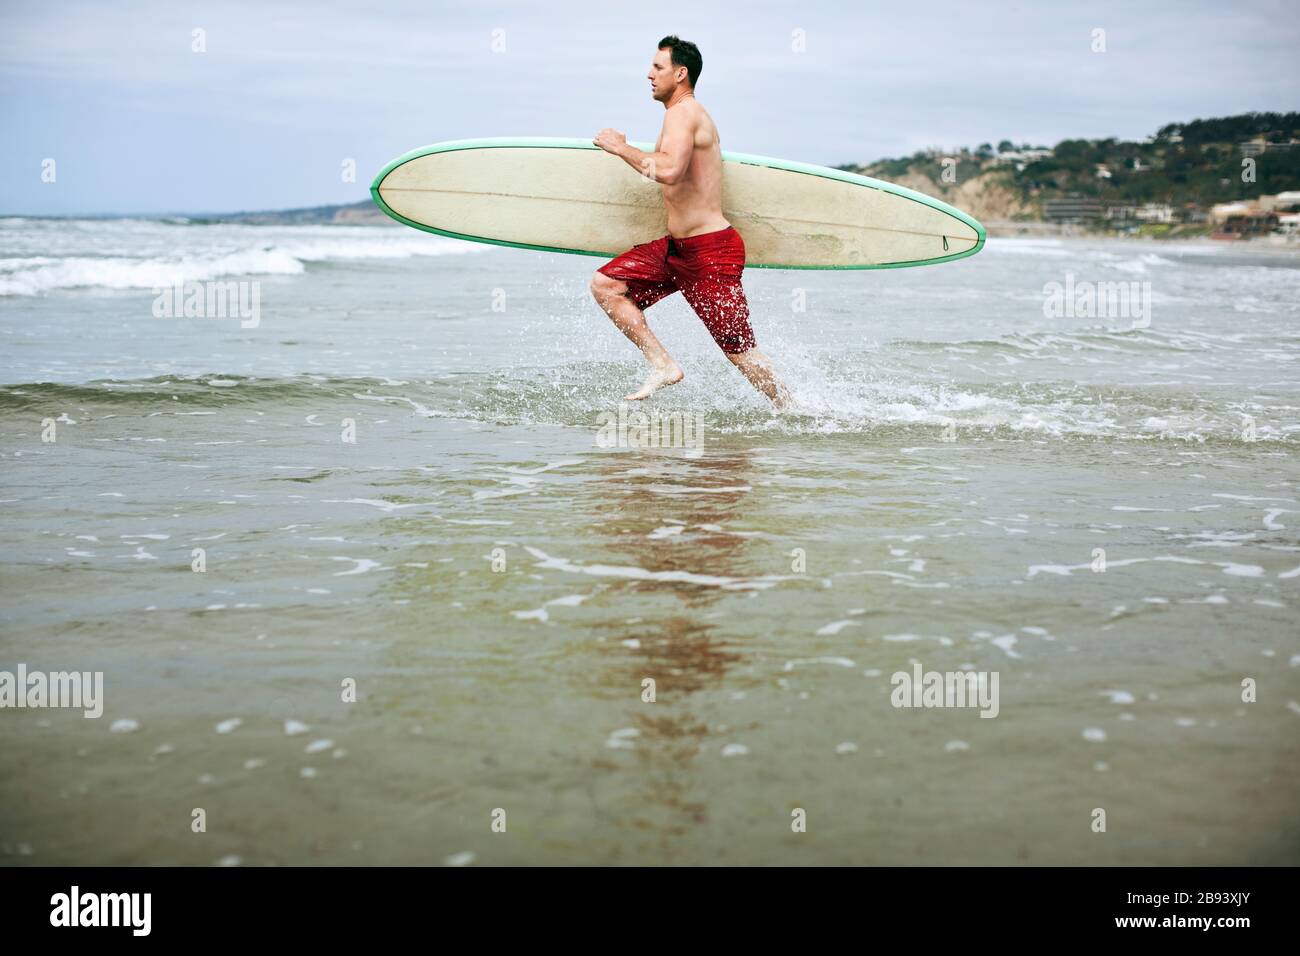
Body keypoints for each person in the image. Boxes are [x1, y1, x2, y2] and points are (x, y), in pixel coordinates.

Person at [591, 35, 792, 408]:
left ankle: (795, 411)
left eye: (658, 67)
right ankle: (663, 364)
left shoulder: (685, 113)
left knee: (739, 353)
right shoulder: (677, 116)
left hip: (710, 252)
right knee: (607, 285)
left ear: (681, 74)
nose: (648, 74)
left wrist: (620, 147)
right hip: (677, 249)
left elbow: (668, 170)